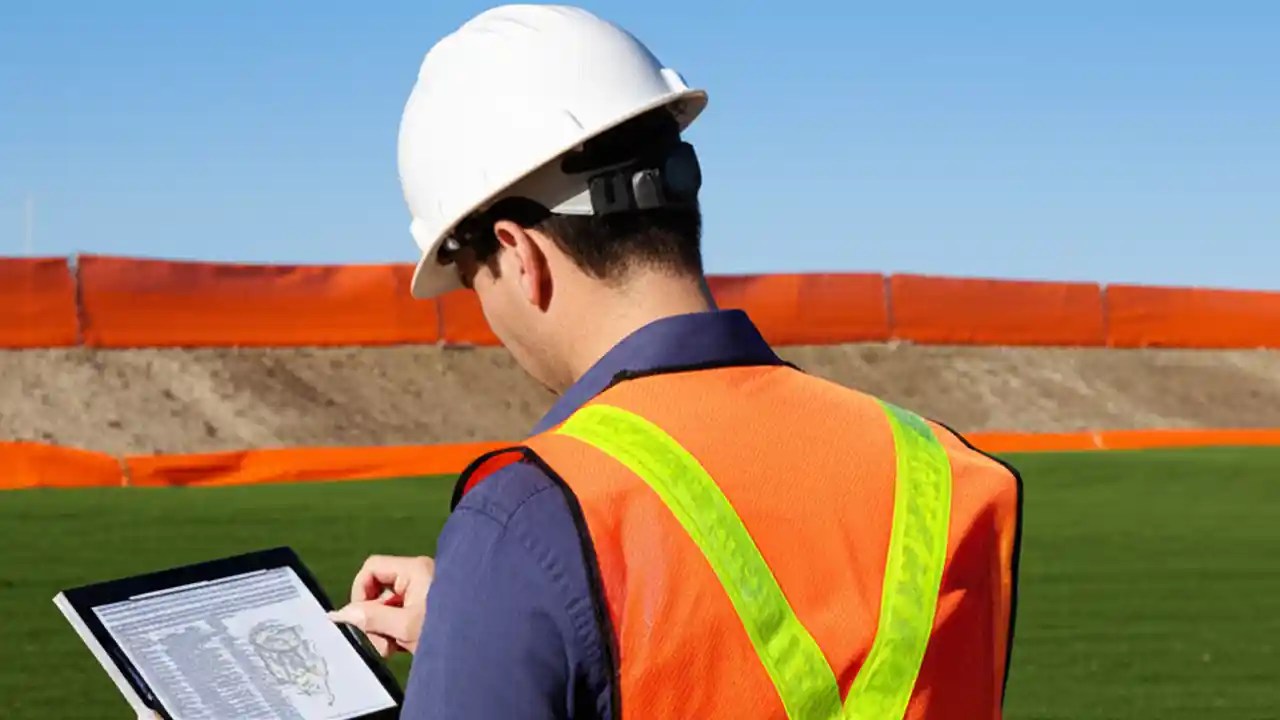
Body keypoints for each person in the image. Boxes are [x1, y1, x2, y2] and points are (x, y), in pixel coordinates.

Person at [329, 5, 1024, 719]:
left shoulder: (530, 515)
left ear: (519, 254)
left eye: (473, 281)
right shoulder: (941, 470)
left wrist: (505, 591)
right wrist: (490, 623)